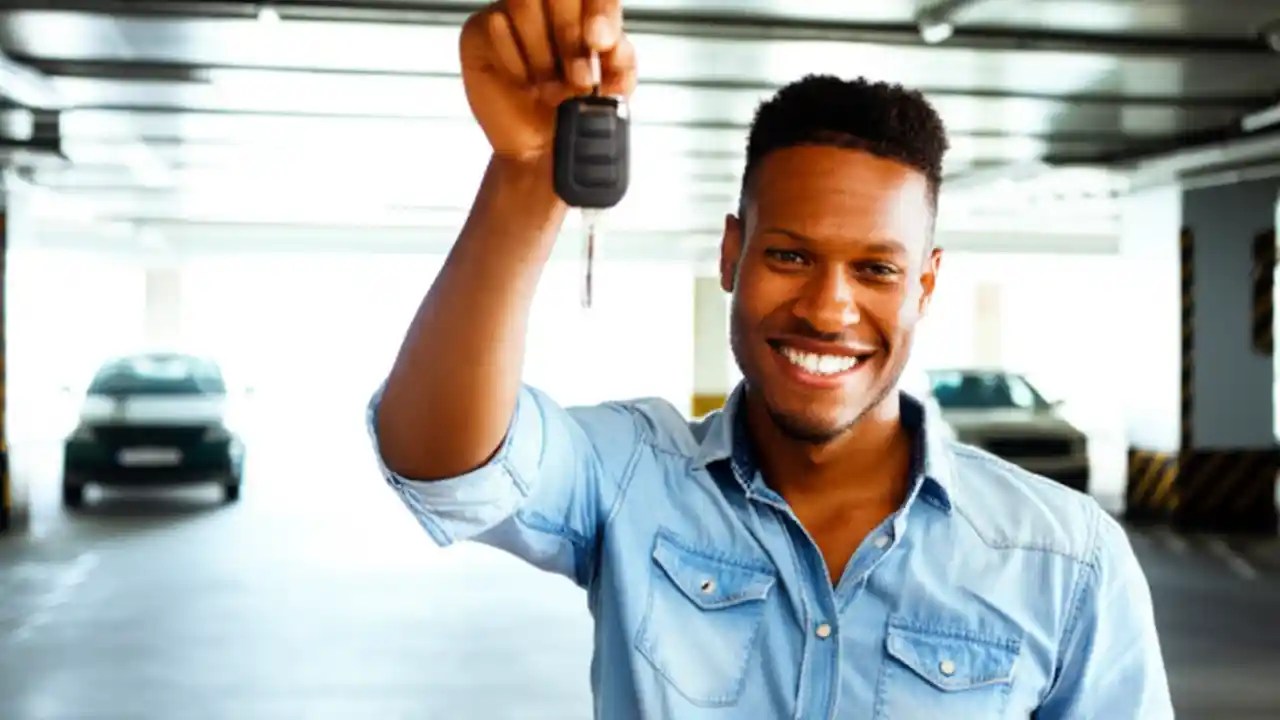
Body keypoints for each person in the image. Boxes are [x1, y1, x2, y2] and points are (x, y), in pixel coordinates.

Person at [368, 0, 1174, 717]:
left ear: (925, 285)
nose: (828, 309)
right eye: (789, 256)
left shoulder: (1066, 562)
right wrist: (522, 180)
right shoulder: (632, 479)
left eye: (877, 269)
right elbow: (443, 463)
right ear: (732, 255)